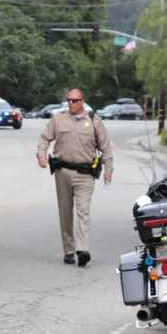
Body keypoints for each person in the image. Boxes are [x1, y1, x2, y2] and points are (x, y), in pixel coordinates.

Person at [36, 88, 114, 267]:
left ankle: (83, 250)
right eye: (69, 100)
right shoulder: (58, 119)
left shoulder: (94, 120)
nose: (71, 103)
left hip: (85, 175)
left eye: (75, 100)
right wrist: (41, 154)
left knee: (83, 211)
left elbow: (106, 147)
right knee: (65, 213)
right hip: (62, 172)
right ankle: (69, 250)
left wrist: (109, 169)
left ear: (82, 101)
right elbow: (43, 138)